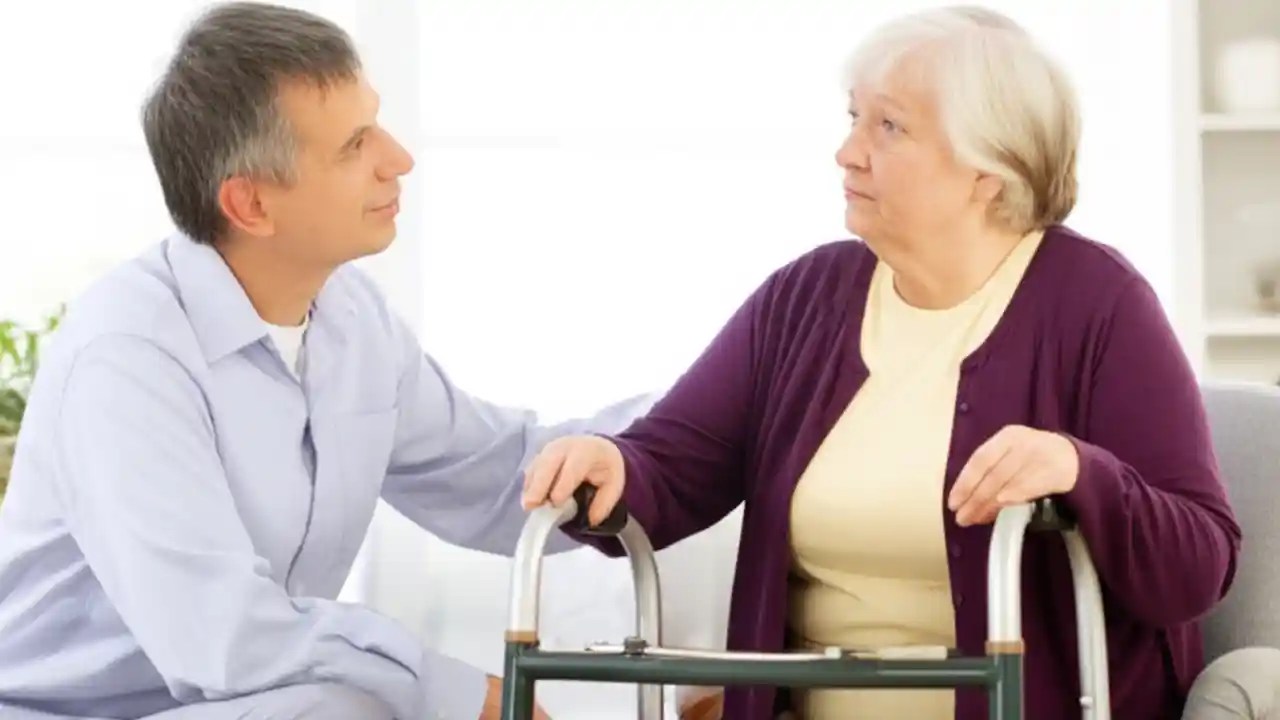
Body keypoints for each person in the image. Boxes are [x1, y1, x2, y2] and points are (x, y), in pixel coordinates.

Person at [521, 6, 1243, 720]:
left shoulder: (1098, 305)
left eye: (888, 126)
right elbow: (673, 466)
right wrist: (612, 466)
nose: (848, 152)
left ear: (987, 169)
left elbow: (1198, 564)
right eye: (853, 118)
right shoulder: (804, 299)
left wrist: (1081, 473)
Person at [0, 3, 648, 719]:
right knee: (348, 711)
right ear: (250, 204)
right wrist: (467, 698)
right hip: (66, 711)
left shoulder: (350, 320)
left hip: (242, 700)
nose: (398, 159)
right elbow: (228, 639)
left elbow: (499, 477)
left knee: (349, 704)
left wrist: (713, 419)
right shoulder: (126, 360)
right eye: (354, 144)